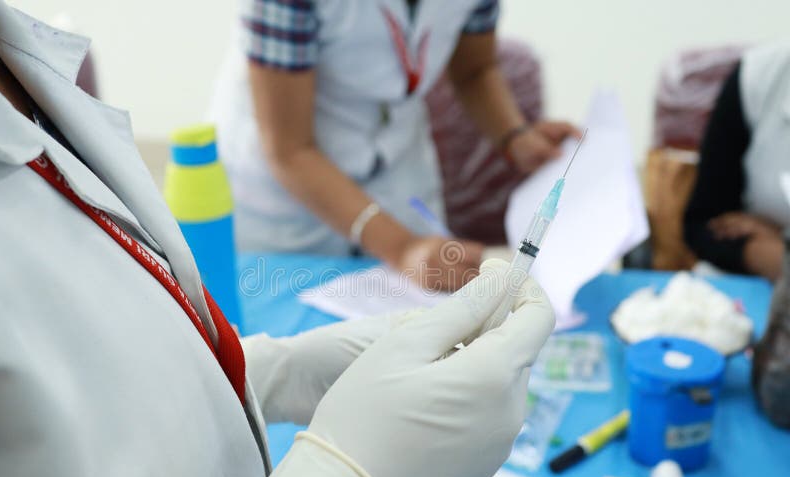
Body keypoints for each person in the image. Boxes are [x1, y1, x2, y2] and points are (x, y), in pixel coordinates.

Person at [0, 2, 555, 477]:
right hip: (283, 211)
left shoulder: (19, 61)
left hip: (396, 172)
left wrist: (271, 371)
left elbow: (97, 371)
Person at [210, 0, 579, 291]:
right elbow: (290, 150)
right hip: (285, 195)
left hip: (398, 167)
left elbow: (474, 68)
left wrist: (513, 136)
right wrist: (402, 248)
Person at [684, 42, 790, 281]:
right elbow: (704, 225)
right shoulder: (759, 76)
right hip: (754, 283)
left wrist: (781, 243)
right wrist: (763, 253)